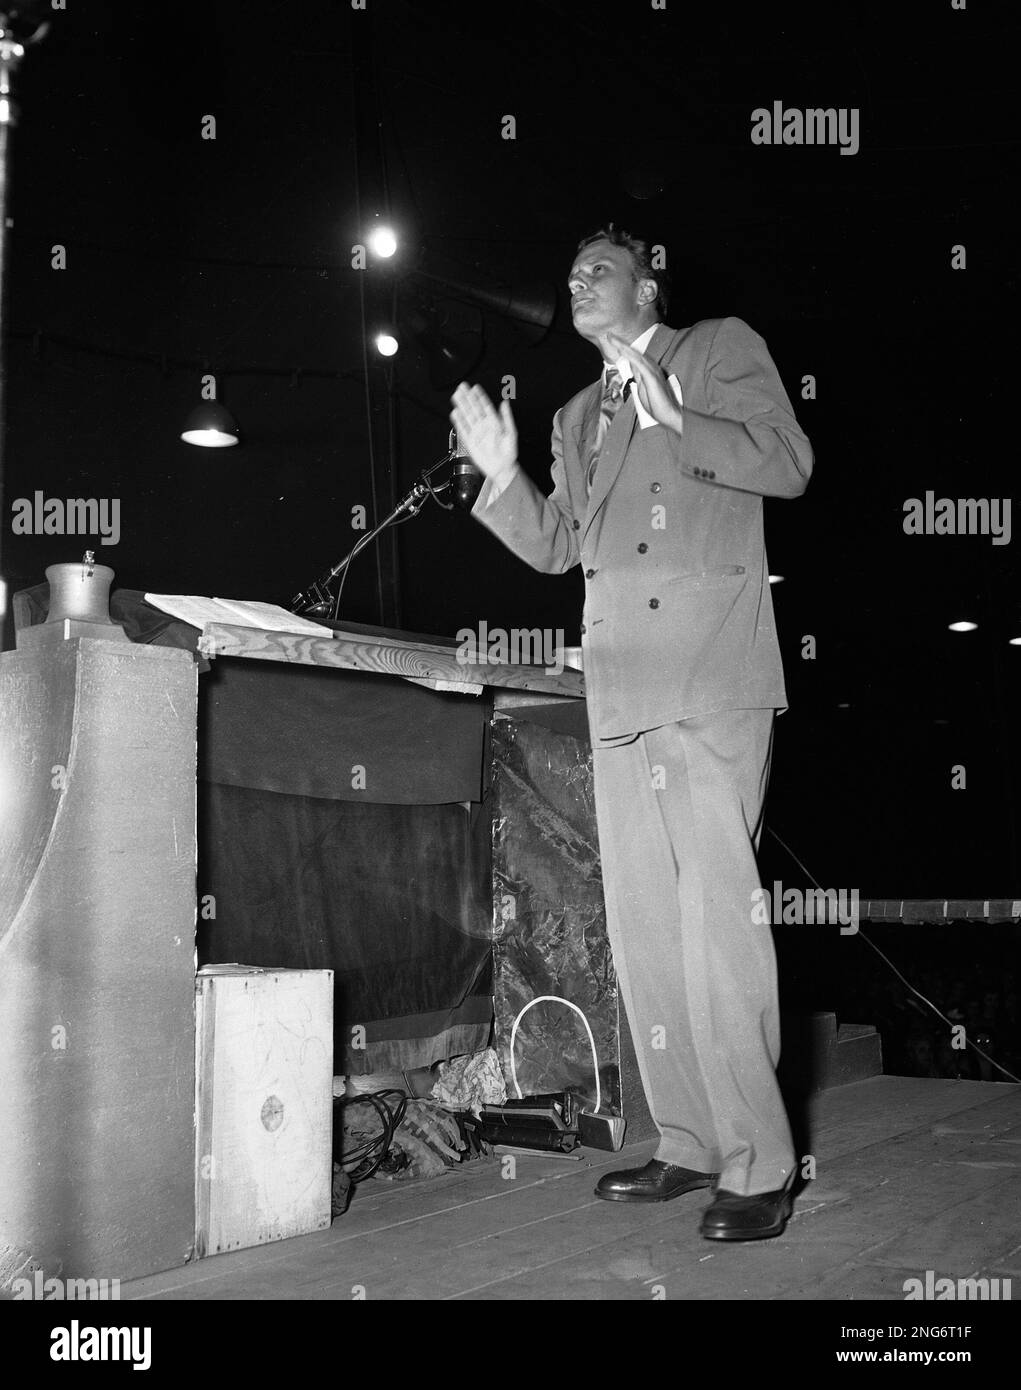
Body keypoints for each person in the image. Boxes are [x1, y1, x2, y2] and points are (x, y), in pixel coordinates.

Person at [450, 225, 813, 1241]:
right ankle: (692, 1143)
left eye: (598, 268)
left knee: (715, 936)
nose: (577, 281)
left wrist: (676, 412)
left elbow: (788, 464)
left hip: (706, 675)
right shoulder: (574, 413)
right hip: (619, 693)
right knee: (649, 936)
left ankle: (762, 1161)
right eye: (567, 272)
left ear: (650, 286)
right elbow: (561, 544)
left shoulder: (714, 348)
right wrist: (500, 476)